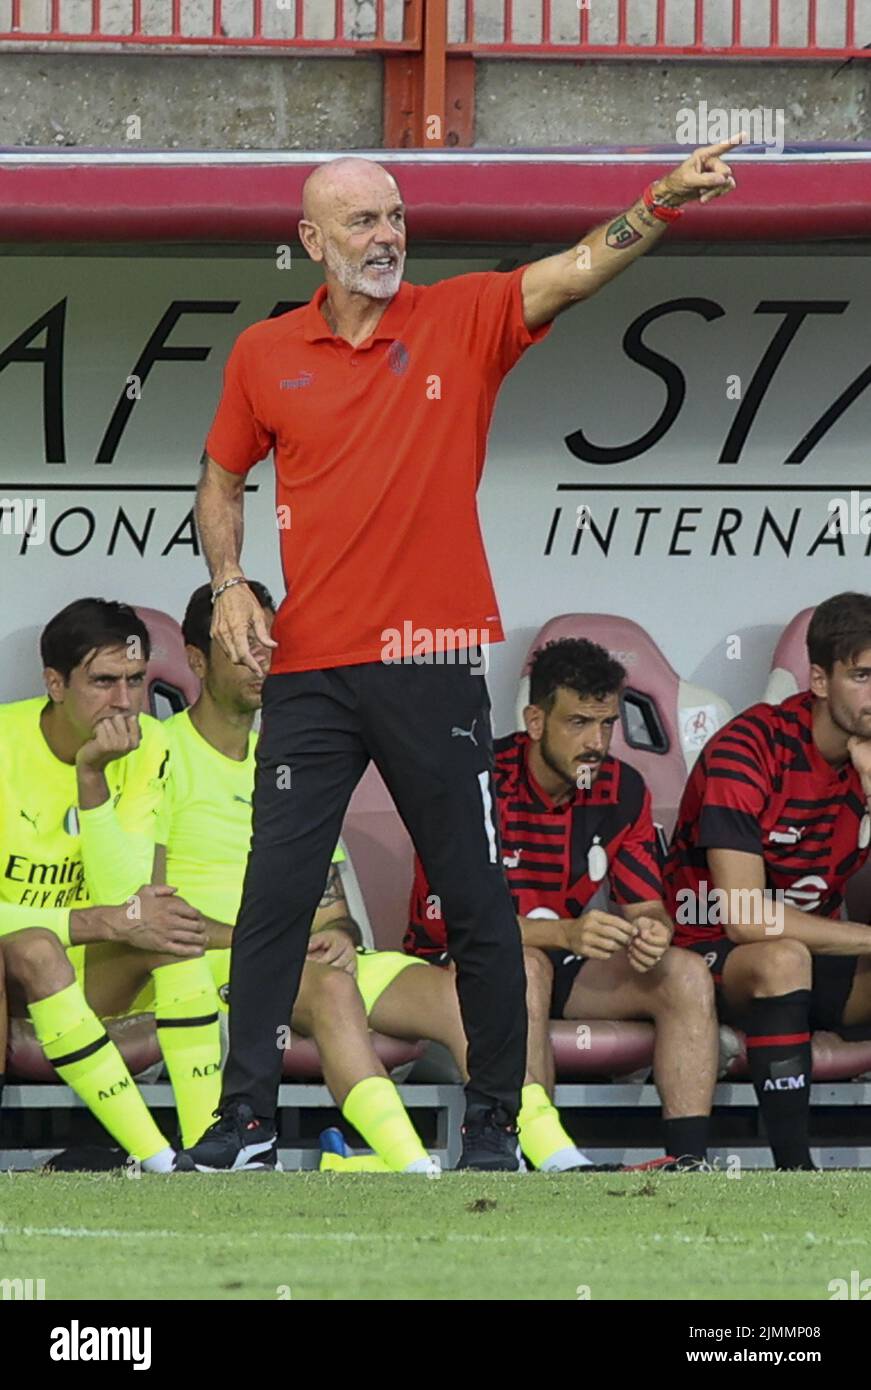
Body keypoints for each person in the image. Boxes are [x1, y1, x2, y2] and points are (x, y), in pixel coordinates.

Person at [184, 138, 742, 1173]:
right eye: (362, 221)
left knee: (479, 895)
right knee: (275, 894)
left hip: (430, 657)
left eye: (395, 217)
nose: (387, 236)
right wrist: (227, 587)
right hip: (309, 666)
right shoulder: (266, 352)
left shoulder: (462, 316)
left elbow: (576, 268)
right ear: (310, 240)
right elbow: (218, 481)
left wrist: (658, 201)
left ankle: (494, 1124)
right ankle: (245, 1124)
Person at [157, 583, 467, 1173]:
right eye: (242, 643)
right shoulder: (159, 753)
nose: (263, 658)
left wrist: (342, 934)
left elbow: (329, 903)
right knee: (329, 989)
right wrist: (290, 945)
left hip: (306, 957)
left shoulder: (298, 757)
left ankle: (537, 1148)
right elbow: (155, 913)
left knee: (461, 996)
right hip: (217, 965)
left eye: (271, 642)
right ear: (196, 659)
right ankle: (412, 1168)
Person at [407, 638, 718, 1169]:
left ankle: (689, 1163)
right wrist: (565, 934)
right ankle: (539, 1156)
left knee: (685, 973)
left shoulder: (622, 788)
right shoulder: (476, 781)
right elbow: (451, 923)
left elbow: (647, 904)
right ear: (534, 720)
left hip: (564, 967)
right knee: (523, 967)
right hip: (457, 970)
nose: (596, 743)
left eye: (606, 725)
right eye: (578, 723)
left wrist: (652, 932)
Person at [0, 598, 219, 1171]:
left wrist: (91, 777)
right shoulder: (3, 744)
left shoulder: (151, 744)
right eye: (103, 681)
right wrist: (92, 922)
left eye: (136, 680)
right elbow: (115, 914)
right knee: (37, 947)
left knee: (172, 939)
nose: (124, 701)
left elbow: (130, 896)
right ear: (55, 683)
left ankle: (212, 1152)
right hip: (15, 970)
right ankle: (156, 1157)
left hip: (87, 967)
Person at [664, 591, 871, 1171]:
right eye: (862, 675)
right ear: (820, 680)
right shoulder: (748, 747)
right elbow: (746, 918)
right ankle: (793, 1168)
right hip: (708, 952)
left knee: (793, 957)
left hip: (814, 954)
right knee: (782, 958)